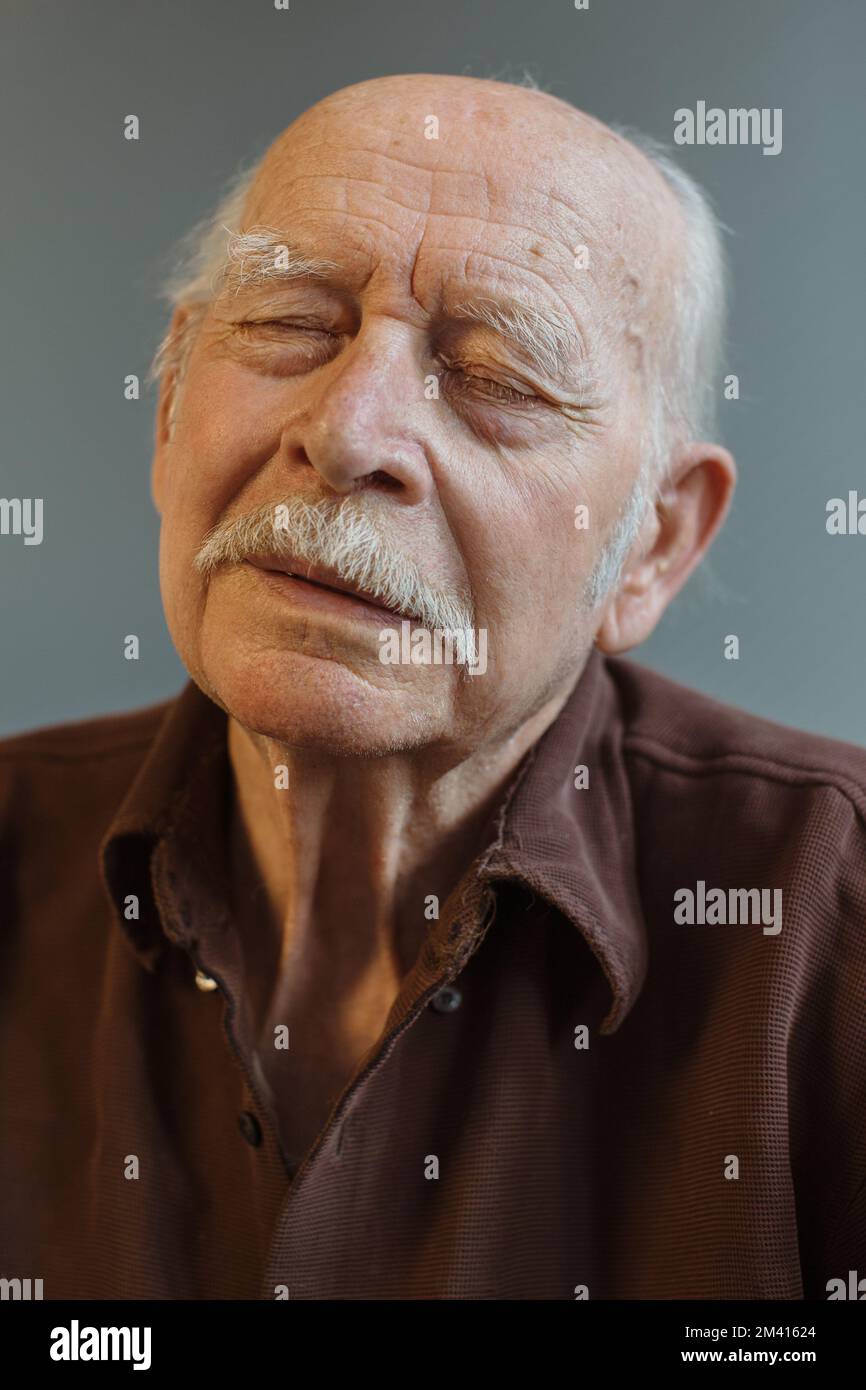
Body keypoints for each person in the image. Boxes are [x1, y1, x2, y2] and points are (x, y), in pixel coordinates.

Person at [2, 73, 864, 1300]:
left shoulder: (829, 929)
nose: (346, 433)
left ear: (655, 543)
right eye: (290, 322)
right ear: (168, 415)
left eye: (499, 376)